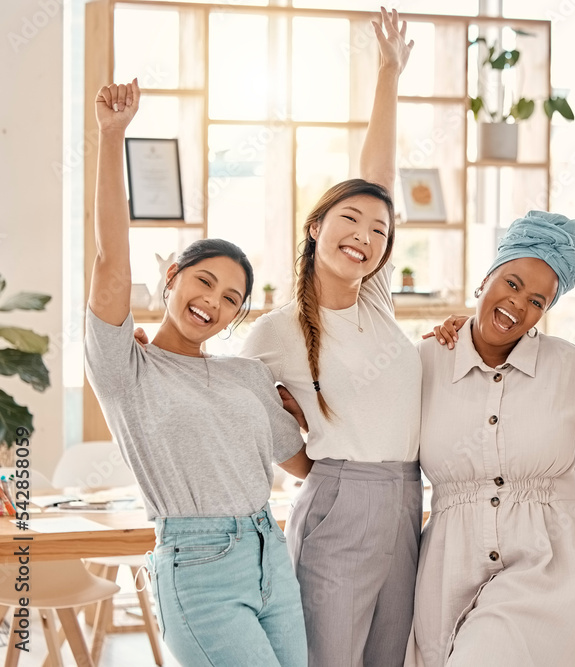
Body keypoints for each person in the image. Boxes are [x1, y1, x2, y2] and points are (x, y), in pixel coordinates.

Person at [86, 78, 309, 666]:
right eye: (204, 281)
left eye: (232, 298)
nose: (214, 301)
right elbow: (109, 262)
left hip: (271, 553)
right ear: (172, 278)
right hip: (198, 568)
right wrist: (112, 137)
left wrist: (309, 414)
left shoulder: (247, 376)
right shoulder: (125, 366)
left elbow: (304, 465)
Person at [239, 8, 419, 666]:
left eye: (379, 229)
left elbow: (381, 175)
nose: (366, 236)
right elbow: (251, 421)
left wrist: (390, 73)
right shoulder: (274, 330)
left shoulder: (377, 300)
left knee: (386, 658)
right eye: (350, 219)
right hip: (340, 499)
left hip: (407, 496)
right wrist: (316, 469)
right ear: (316, 226)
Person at [406, 211, 575, 667]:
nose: (518, 304)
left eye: (537, 301)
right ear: (486, 277)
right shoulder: (424, 363)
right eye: (511, 283)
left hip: (549, 569)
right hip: (450, 569)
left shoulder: (569, 368)